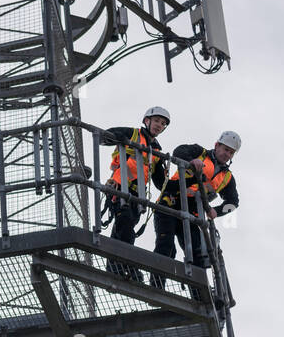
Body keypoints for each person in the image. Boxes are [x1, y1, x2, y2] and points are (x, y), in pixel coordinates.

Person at [153, 131, 241, 283]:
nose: (227, 154)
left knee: (196, 254)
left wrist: (216, 211)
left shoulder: (227, 177)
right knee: (165, 245)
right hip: (170, 203)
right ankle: (156, 285)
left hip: (192, 214)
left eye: (231, 152)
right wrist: (192, 160)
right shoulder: (200, 152)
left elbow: (233, 202)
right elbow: (178, 151)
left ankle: (198, 295)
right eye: (225, 149)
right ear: (217, 146)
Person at [102, 106, 170, 281]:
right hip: (119, 188)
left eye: (163, 124)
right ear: (147, 121)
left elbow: (159, 182)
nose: (159, 125)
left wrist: (167, 174)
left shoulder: (156, 152)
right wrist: (120, 139)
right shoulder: (133, 134)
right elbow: (103, 137)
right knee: (125, 226)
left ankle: (113, 268)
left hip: (137, 197)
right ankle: (130, 266)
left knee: (122, 228)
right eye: (156, 121)